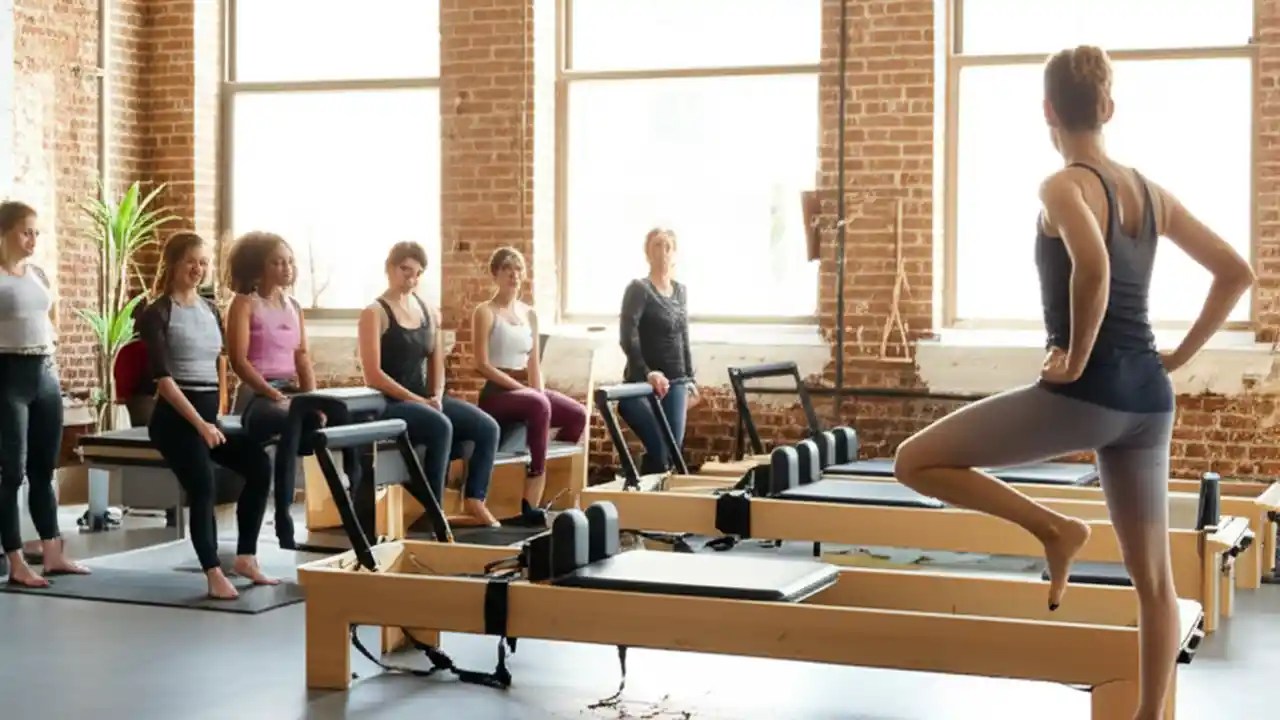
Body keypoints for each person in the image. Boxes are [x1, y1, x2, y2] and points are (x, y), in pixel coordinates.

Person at [891, 46, 1254, 720]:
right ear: (1109, 107)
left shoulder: (1063, 186)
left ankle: (1054, 528)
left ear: (1049, 112)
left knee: (915, 461)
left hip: (1088, 399)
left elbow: (1094, 266)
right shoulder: (1150, 192)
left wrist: (1078, 359)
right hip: (1150, 400)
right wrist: (1176, 356)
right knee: (1156, 584)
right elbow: (1237, 272)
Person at [138, 232, 279, 599]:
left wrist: (216, 417)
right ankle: (213, 572)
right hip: (175, 422)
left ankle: (246, 557)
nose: (198, 269)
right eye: (191, 262)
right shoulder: (157, 313)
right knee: (204, 486)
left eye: (203, 262)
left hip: (207, 421)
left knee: (259, 466)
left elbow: (219, 366)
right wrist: (200, 425)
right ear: (172, 264)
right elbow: (165, 383)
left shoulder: (209, 309)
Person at [358, 241, 501, 527]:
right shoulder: (374, 313)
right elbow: (372, 375)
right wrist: (420, 402)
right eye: (405, 271)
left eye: (417, 273)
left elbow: (437, 362)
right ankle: (434, 510)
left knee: (488, 427)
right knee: (440, 425)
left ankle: (475, 500)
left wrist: (435, 395)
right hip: (389, 402)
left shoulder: (427, 310)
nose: (411, 279)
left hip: (426, 399)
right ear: (390, 268)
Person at [0, 201, 89, 587]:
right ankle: (16, 561)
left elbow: (48, 324)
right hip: (8, 375)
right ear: (4, 234)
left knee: (43, 470)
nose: (33, 239)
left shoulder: (36, 274)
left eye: (36, 232)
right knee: (11, 473)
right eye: (25, 231)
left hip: (45, 373)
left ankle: (53, 553)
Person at [472, 246, 587, 525]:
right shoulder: (485, 312)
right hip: (497, 392)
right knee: (538, 403)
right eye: (507, 270)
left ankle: (553, 482)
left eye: (518, 269)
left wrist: (537, 391)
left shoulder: (529, 314)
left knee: (577, 414)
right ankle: (529, 498)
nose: (514, 275)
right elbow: (481, 364)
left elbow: (534, 363)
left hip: (526, 390)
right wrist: (523, 391)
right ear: (496, 275)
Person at [224, 231, 320, 550]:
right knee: (292, 419)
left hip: (289, 393)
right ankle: (282, 514)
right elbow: (238, 361)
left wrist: (315, 398)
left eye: (289, 262)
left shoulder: (293, 305)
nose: (286, 268)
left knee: (322, 420)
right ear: (259, 266)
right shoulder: (244, 304)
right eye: (277, 262)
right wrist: (269, 391)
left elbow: (302, 357)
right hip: (257, 395)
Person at [618, 228, 698, 473]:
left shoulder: (681, 290)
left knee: (671, 452)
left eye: (667, 247)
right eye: (656, 246)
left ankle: (655, 500)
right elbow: (627, 336)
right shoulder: (639, 289)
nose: (662, 252)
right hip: (642, 383)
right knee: (660, 449)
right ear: (647, 252)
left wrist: (690, 377)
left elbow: (683, 334)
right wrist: (647, 373)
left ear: (674, 254)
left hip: (677, 382)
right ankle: (646, 499)